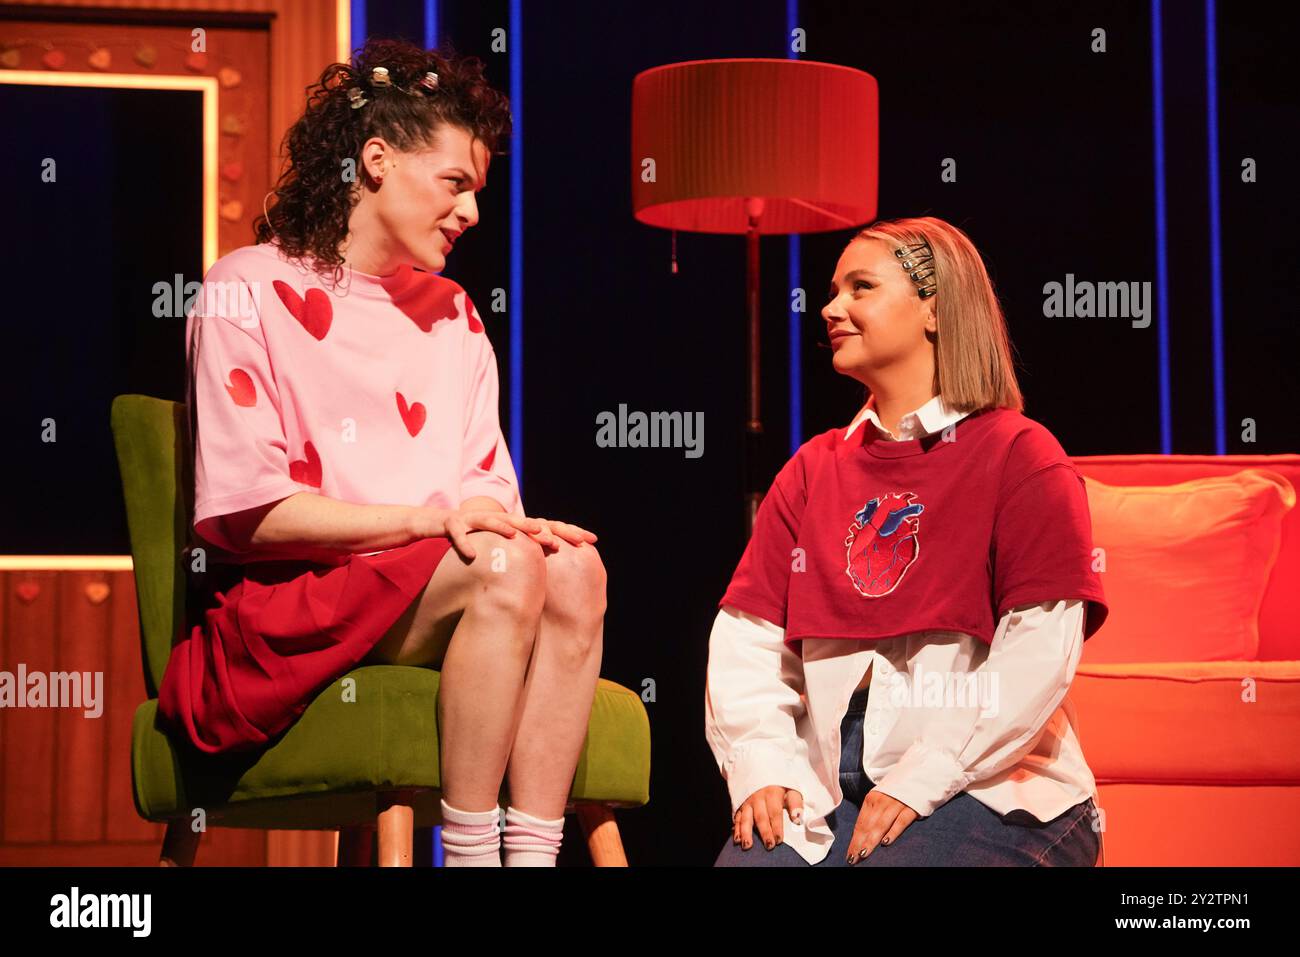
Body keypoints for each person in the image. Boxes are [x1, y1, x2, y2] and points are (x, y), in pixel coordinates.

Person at [157, 38, 607, 868]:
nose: (472, 213)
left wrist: (510, 527)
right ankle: (471, 852)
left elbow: (487, 495)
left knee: (577, 568)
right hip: (296, 598)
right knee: (504, 568)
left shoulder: (454, 312)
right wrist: (429, 524)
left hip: (432, 587)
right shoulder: (243, 286)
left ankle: (533, 857)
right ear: (375, 160)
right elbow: (246, 516)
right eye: (455, 184)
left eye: (477, 190)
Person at [706, 215, 1109, 866]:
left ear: (935, 308)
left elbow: (1038, 650)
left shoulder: (1019, 455)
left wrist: (928, 771)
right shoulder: (813, 470)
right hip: (826, 784)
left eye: (861, 287)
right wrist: (761, 761)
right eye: (833, 289)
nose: (831, 307)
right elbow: (747, 636)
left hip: (994, 784)